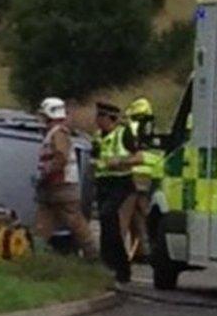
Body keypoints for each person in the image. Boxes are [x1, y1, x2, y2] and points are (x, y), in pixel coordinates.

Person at [34, 97, 97, 259]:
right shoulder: (54, 133)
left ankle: (92, 255)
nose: (41, 118)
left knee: (74, 222)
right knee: (44, 223)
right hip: (53, 186)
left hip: (62, 186)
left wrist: (47, 172)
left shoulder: (59, 133)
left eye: (43, 115)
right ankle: (37, 255)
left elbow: (60, 157)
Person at [93, 101, 141, 284]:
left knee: (108, 217)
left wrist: (120, 162)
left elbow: (139, 157)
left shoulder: (123, 134)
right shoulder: (98, 136)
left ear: (107, 118)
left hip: (121, 182)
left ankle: (120, 266)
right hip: (103, 183)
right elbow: (97, 158)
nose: (96, 120)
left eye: (99, 117)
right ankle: (111, 265)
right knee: (107, 225)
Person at [122, 97, 160, 260]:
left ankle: (135, 250)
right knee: (142, 215)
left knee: (127, 215)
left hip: (133, 173)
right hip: (149, 173)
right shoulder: (151, 126)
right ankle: (143, 250)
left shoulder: (130, 127)